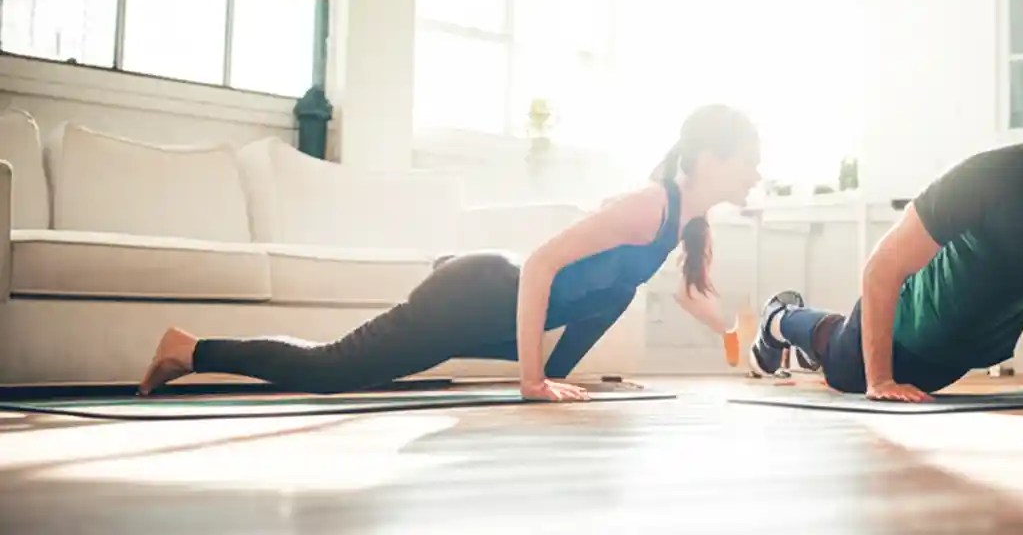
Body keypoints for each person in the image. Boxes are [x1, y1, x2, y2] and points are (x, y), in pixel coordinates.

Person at [139, 104, 761, 402]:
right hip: (474, 294)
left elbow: (684, 297)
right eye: (749, 160)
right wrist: (531, 380)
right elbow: (542, 262)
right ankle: (188, 349)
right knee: (334, 371)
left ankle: (192, 350)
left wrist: (740, 347)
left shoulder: (684, 221)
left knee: (617, 292)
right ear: (708, 160)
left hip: (484, 306)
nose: (756, 173)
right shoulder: (649, 204)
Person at [750, 62, 1023, 401]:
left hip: (956, 356)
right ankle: (780, 319)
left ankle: (796, 330)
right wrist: (881, 379)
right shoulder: (991, 177)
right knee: (842, 365)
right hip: (905, 331)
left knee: (867, 357)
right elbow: (882, 269)